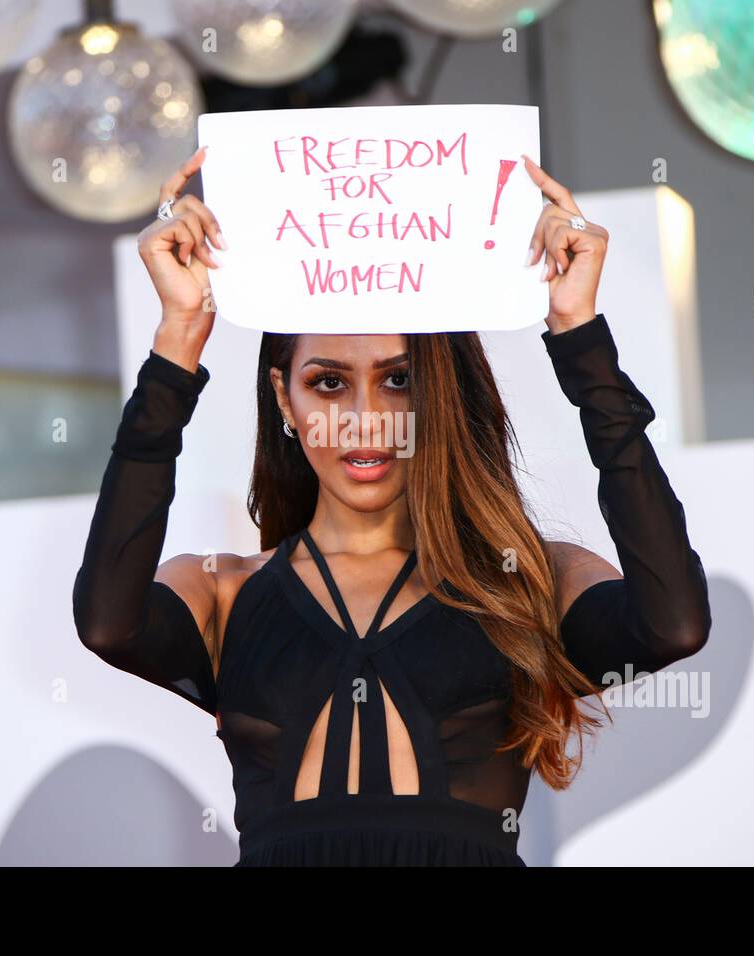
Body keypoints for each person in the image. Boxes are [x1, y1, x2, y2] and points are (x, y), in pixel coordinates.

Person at [72, 146, 712, 867]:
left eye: (399, 379)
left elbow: (674, 625)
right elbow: (107, 622)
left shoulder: (528, 580)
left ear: (437, 394)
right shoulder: (224, 591)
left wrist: (581, 341)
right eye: (329, 383)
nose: (366, 419)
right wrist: (177, 343)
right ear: (286, 397)